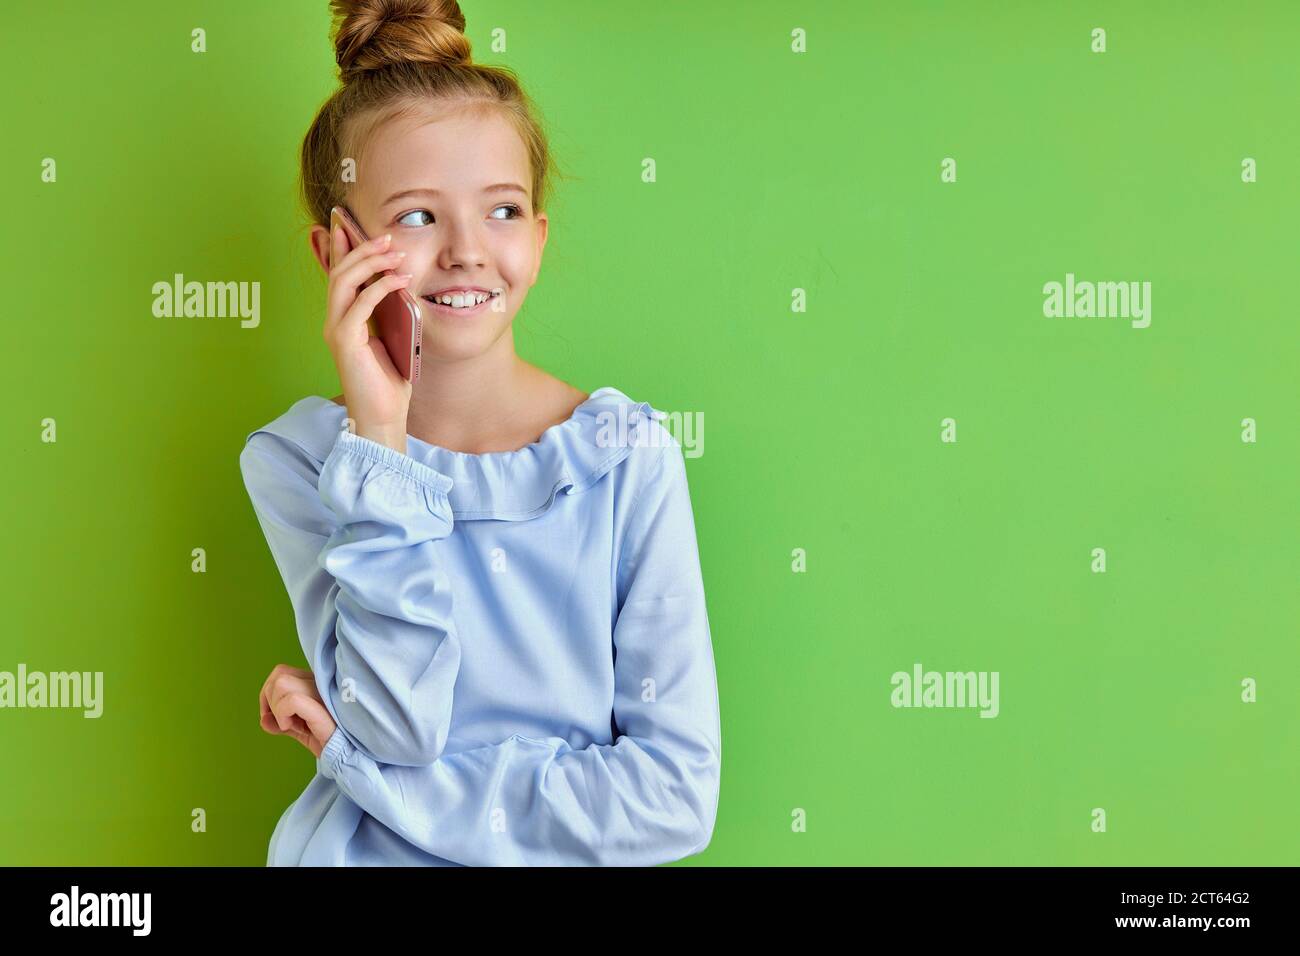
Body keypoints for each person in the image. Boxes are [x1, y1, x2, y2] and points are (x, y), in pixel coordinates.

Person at [238, 0, 721, 866]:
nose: (466, 250)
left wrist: (359, 769)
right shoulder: (301, 461)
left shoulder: (626, 458)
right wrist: (380, 438)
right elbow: (401, 726)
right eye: (417, 217)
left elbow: (673, 801)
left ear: (538, 235)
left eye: (501, 210)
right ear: (335, 250)